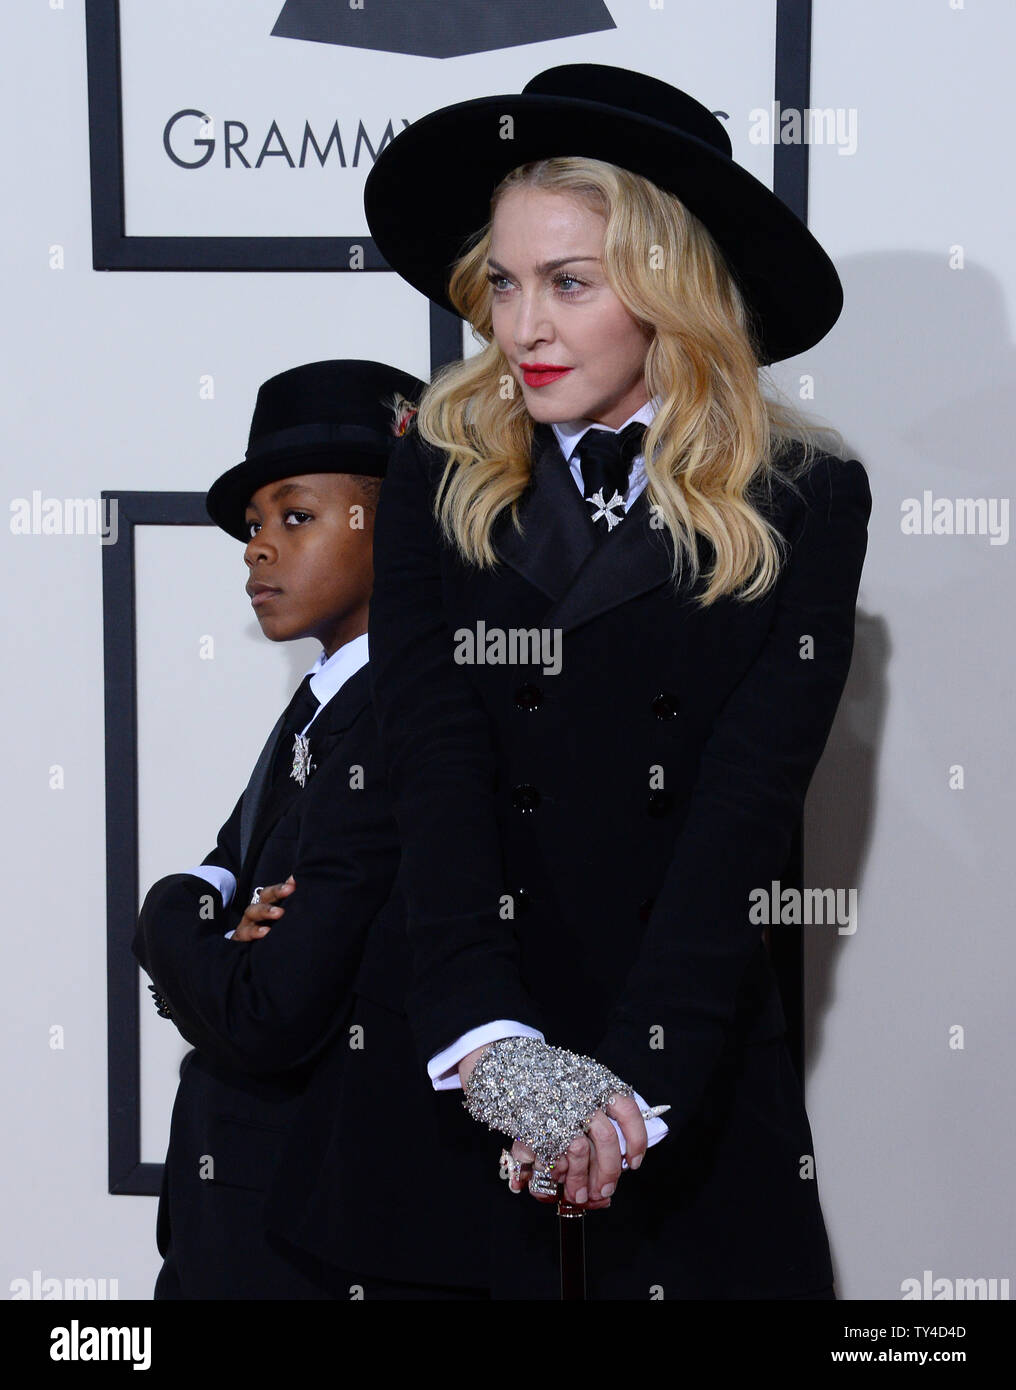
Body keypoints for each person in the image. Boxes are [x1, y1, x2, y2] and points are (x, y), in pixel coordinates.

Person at [362, 65, 872, 1299]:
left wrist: (630, 1090)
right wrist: (497, 1053)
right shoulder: (438, 477)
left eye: (569, 284)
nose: (520, 328)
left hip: (679, 1074)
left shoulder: (803, 497)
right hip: (459, 1045)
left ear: (666, 289)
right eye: (502, 282)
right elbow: (432, 770)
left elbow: (743, 812)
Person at [133, 359, 494, 1299]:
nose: (258, 549)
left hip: (311, 1245)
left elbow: (269, 1010)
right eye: (253, 528)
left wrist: (162, 913)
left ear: (400, 522)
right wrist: (216, 913)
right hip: (237, 1227)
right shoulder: (320, 705)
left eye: (297, 518)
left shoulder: (404, 716)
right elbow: (228, 873)